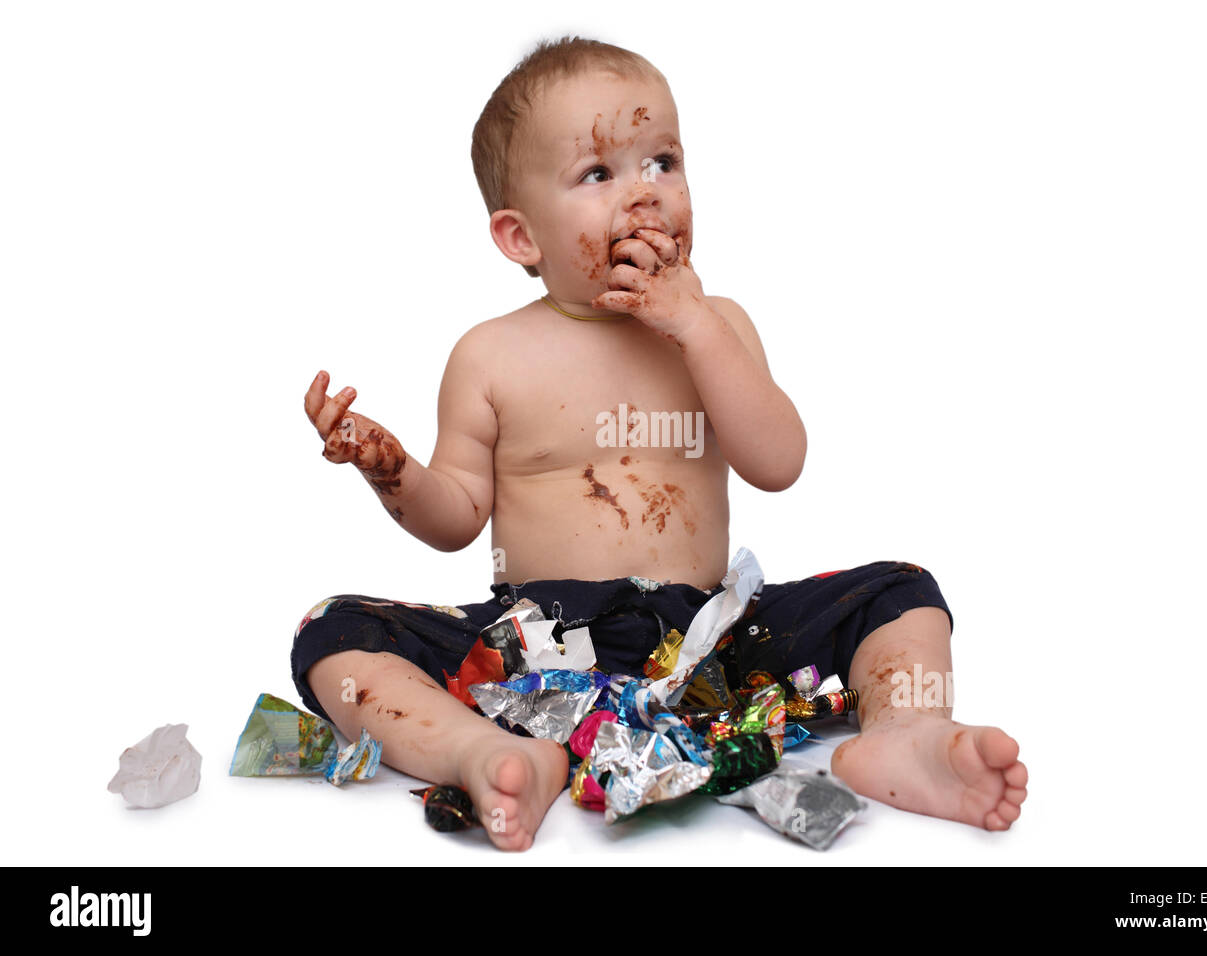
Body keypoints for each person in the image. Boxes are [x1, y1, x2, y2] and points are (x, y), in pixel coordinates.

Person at [292, 35, 1027, 851]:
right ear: (520, 237)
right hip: (542, 645)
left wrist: (696, 328)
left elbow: (778, 464)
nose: (645, 196)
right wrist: (389, 471)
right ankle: (489, 752)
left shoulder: (719, 326)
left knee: (900, 590)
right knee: (333, 630)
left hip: (710, 645)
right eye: (599, 174)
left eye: (663, 162)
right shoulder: (490, 355)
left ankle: (904, 735)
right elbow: (456, 517)